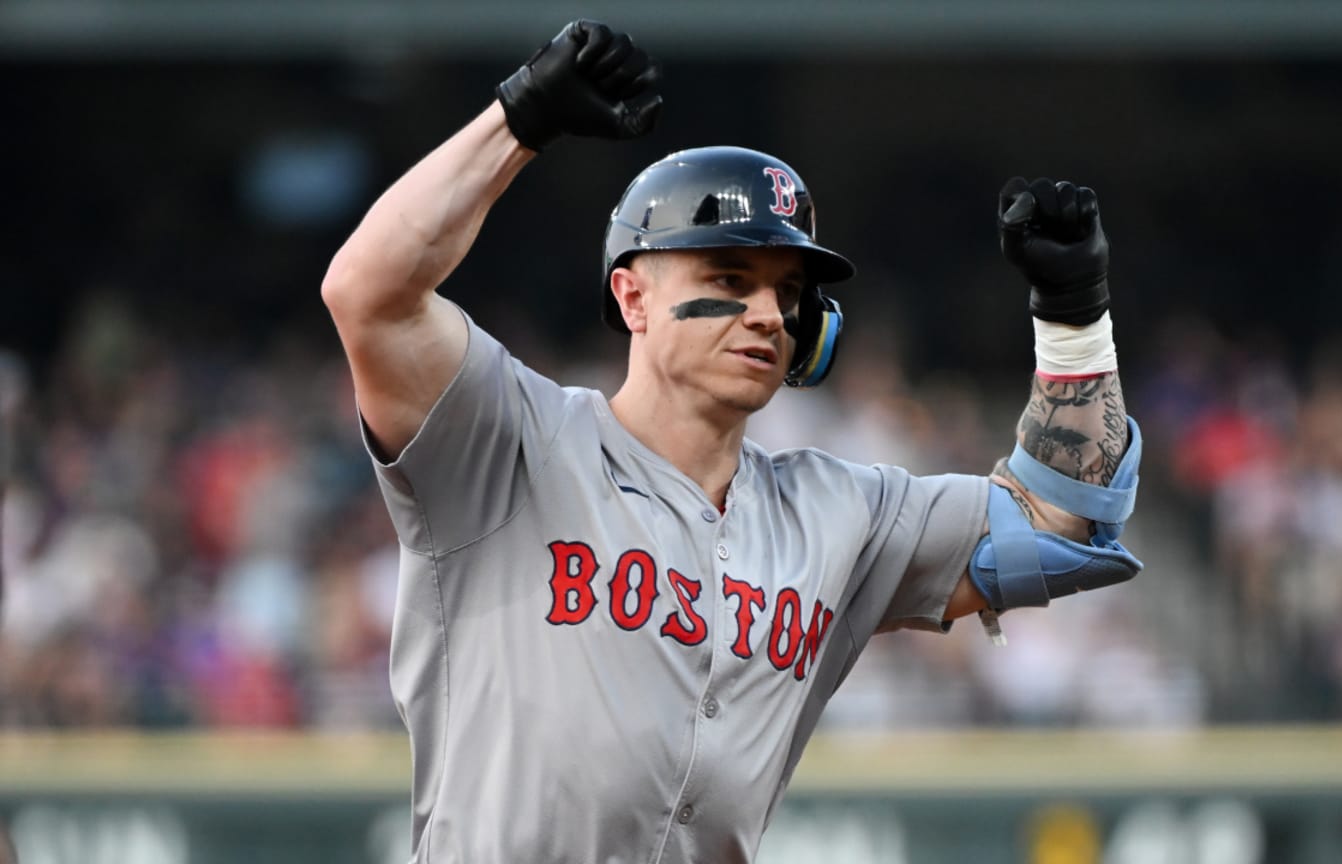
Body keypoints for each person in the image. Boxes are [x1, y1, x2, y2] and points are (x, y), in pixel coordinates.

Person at [322, 19, 1144, 864]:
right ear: (632, 298)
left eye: (787, 292)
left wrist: (1074, 318)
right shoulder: (507, 440)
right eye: (728, 277)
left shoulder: (841, 515)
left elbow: (1060, 525)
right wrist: (519, 117)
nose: (767, 314)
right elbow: (368, 293)